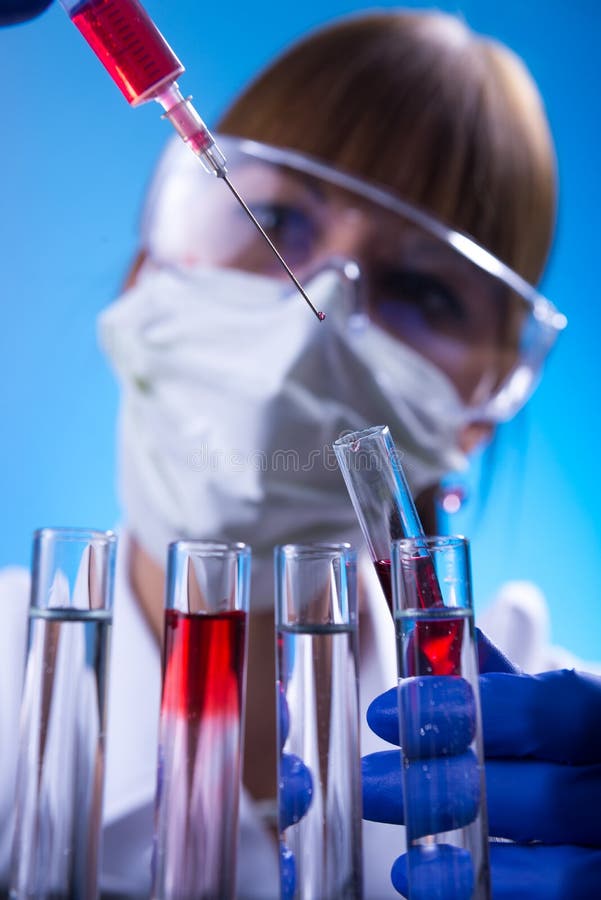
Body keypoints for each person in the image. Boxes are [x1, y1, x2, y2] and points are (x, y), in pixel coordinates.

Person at [1, 9, 600, 898]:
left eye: (419, 289)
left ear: (478, 414)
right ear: (145, 276)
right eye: (275, 218)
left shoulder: (556, 763)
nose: (309, 324)